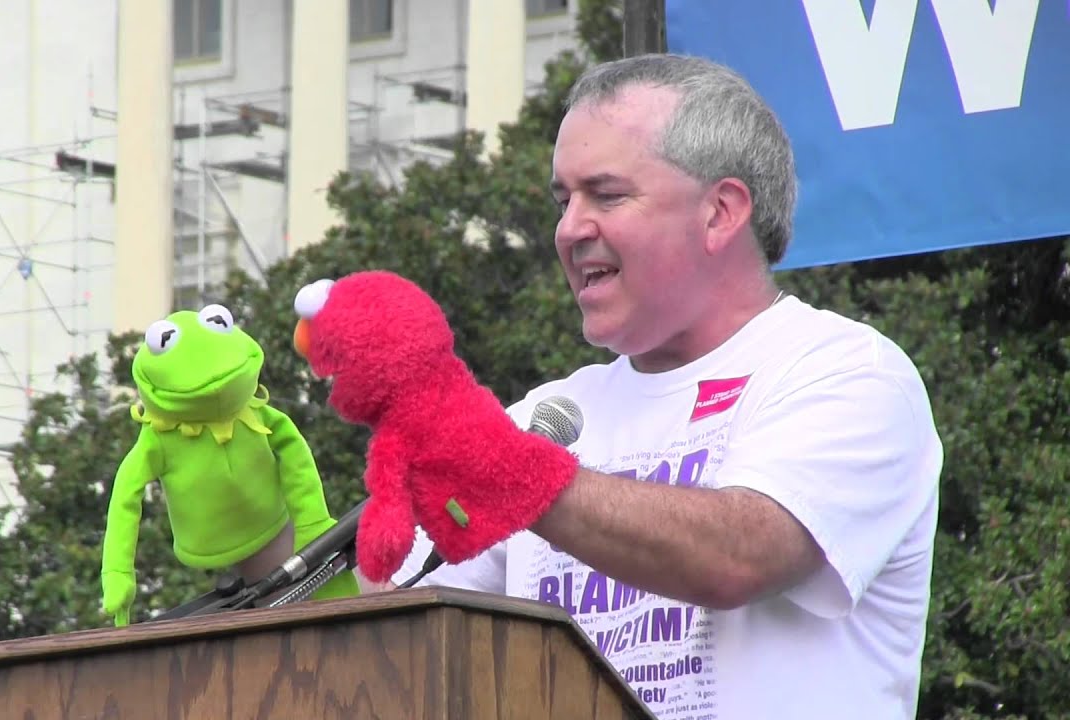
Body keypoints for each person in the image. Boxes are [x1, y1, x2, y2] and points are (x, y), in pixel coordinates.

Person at [387, 53, 943, 719]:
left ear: (720, 212)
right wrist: (259, 526)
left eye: (608, 194)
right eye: (564, 201)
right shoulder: (550, 414)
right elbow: (391, 618)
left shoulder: (848, 371)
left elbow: (740, 555)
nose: (570, 229)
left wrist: (516, 474)